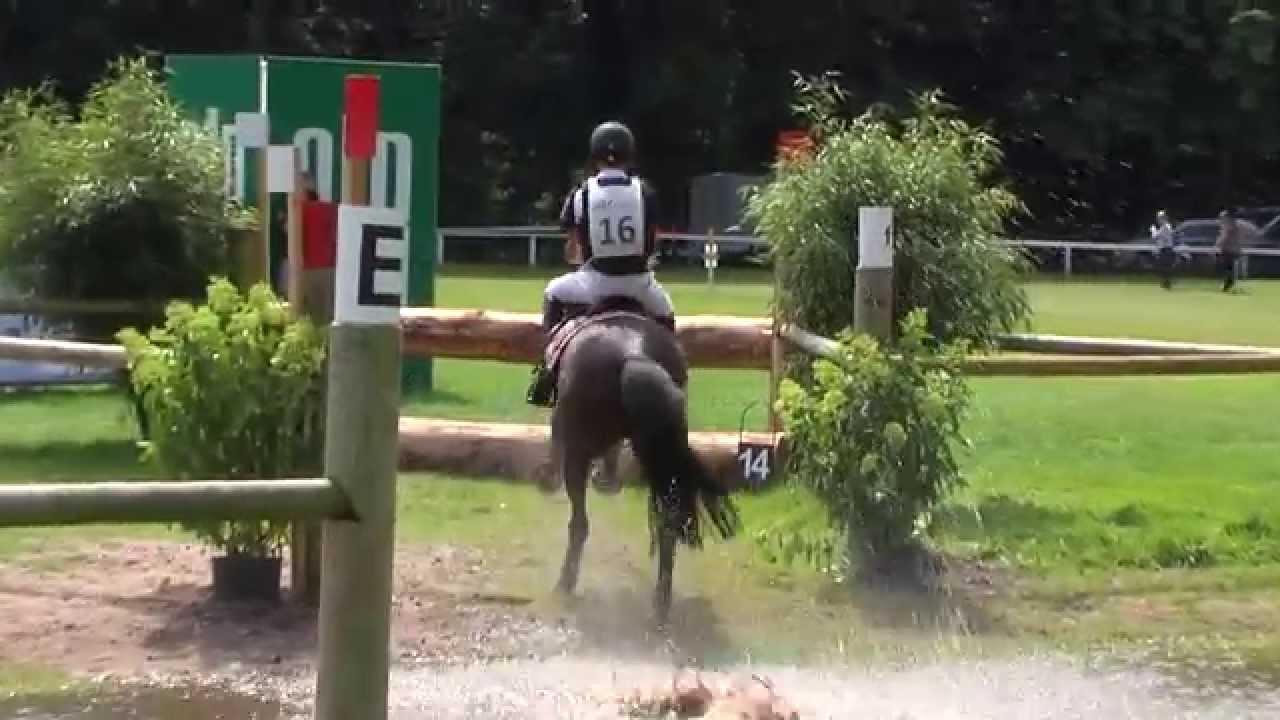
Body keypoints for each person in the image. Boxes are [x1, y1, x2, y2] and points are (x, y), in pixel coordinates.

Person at [525, 121, 675, 407]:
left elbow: (573, 249)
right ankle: (671, 379)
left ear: (594, 156)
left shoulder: (581, 194)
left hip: (594, 283)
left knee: (553, 292)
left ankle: (547, 370)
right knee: (667, 316)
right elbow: (653, 240)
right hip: (639, 285)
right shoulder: (643, 191)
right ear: (629, 155)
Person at [1216, 208, 1244, 292]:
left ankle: (1228, 283)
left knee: (1227, 267)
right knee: (1229, 267)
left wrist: (1217, 244)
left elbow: (1225, 236)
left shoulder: (1228, 225)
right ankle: (1228, 283)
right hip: (1232, 249)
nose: (1220, 219)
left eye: (1221, 217)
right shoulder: (1234, 224)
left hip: (1229, 249)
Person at [1150, 210, 1176, 289]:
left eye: (1160, 218)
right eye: (1158, 218)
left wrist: (1153, 230)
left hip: (1166, 250)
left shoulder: (1165, 226)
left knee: (1164, 268)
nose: (1158, 220)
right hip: (1165, 249)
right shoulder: (1166, 226)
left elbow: (1155, 236)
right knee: (1164, 268)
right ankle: (1165, 283)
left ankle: (1166, 284)